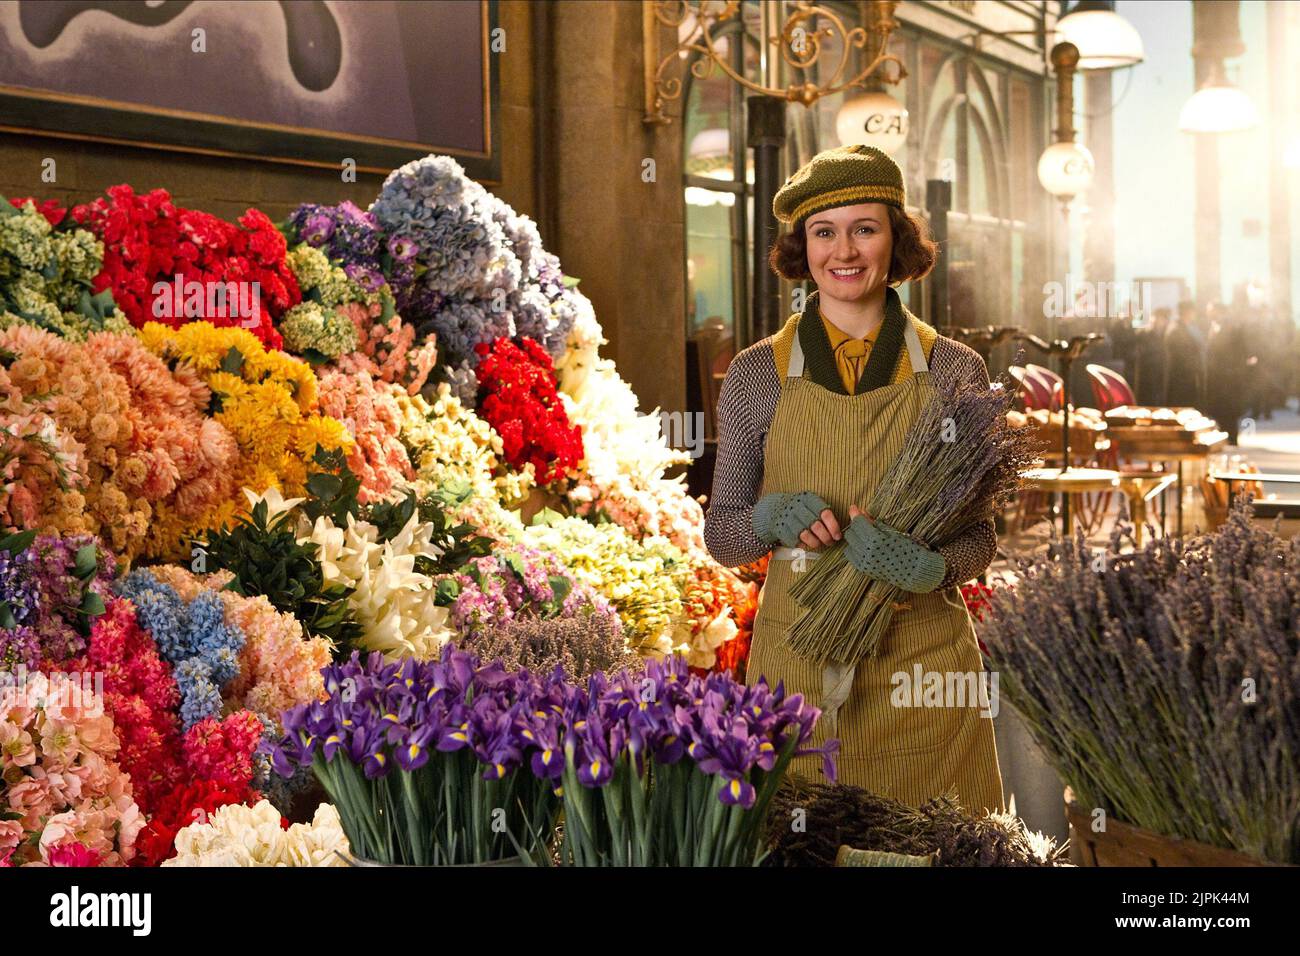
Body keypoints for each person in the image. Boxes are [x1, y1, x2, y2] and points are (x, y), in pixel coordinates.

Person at [703, 145, 1003, 814]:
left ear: (895, 239)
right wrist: (765, 519)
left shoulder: (955, 371)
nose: (844, 250)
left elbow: (984, 537)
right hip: (798, 667)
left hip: (922, 675)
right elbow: (722, 536)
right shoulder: (758, 374)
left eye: (864, 228)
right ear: (801, 247)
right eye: (823, 231)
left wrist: (927, 568)